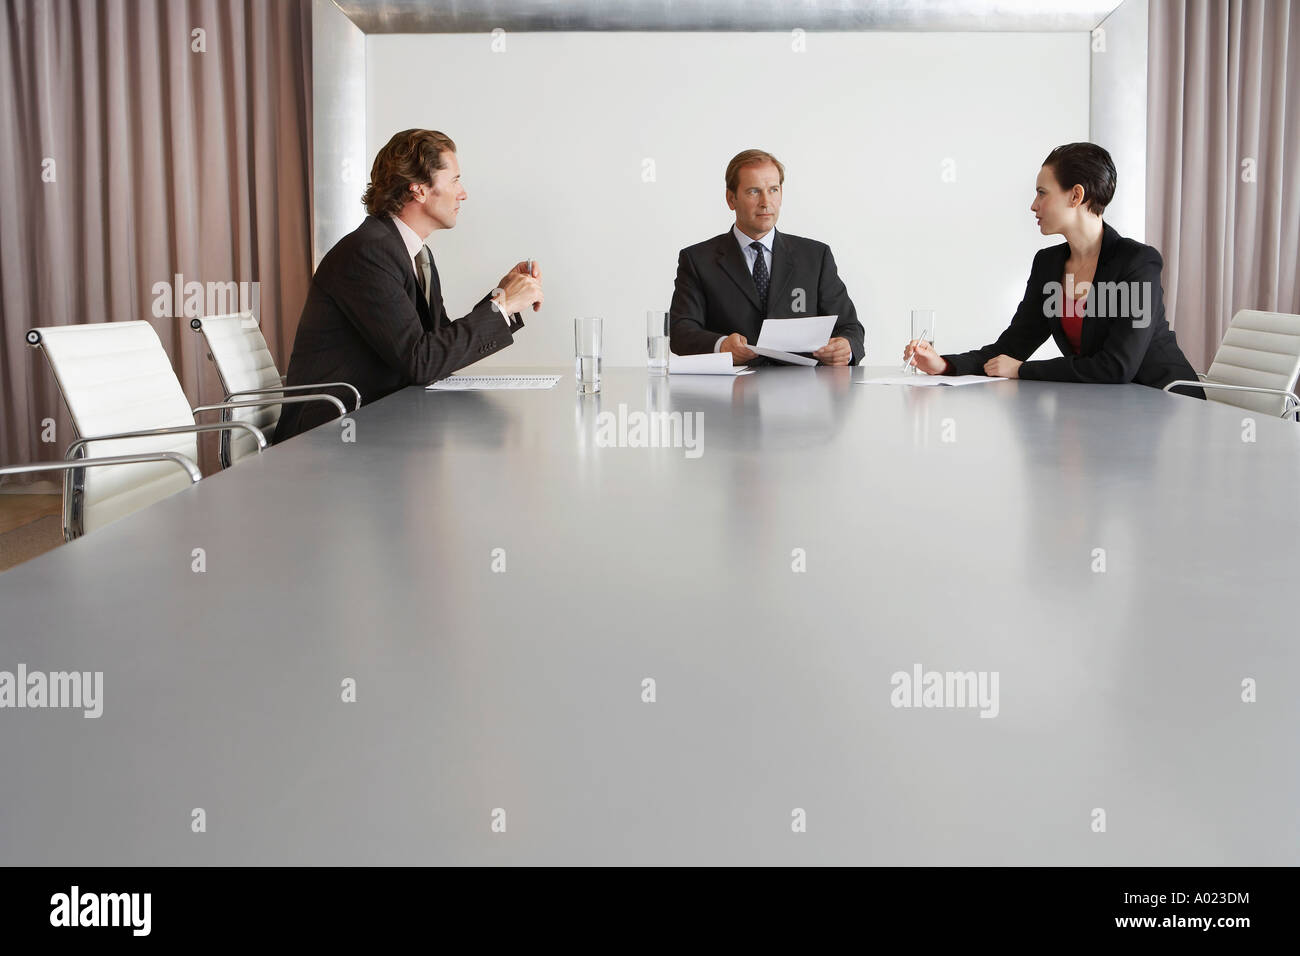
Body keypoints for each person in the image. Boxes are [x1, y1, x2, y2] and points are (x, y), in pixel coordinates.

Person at [274, 128, 544, 444]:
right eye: (455, 180)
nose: (463, 193)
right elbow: (421, 361)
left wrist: (502, 294)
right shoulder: (368, 252)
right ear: (418, 189)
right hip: (328, 439)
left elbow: (438, 345)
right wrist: (504, 306)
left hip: (375, 426)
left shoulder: (415, 253)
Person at [903, 142, 1202, 397]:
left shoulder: (1137, 262)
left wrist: (1022, 371)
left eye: (1042, 193)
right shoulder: (1048, 264)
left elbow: (1116, 366)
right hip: (1108, 405)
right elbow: (1011, 347)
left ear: (1076, 195)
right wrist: (945, 365)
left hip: (1165, 402)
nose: (1034, 205)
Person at [669, 149, 865, 367]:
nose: (765, 202)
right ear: (731, 198)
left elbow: (850, 328)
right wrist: (722, 346)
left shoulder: (816, 257)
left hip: (804, 394)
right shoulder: (698, 260)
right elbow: (681, 332)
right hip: (728, 394)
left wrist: (845, 348)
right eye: (754, 192)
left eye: (773, 190)